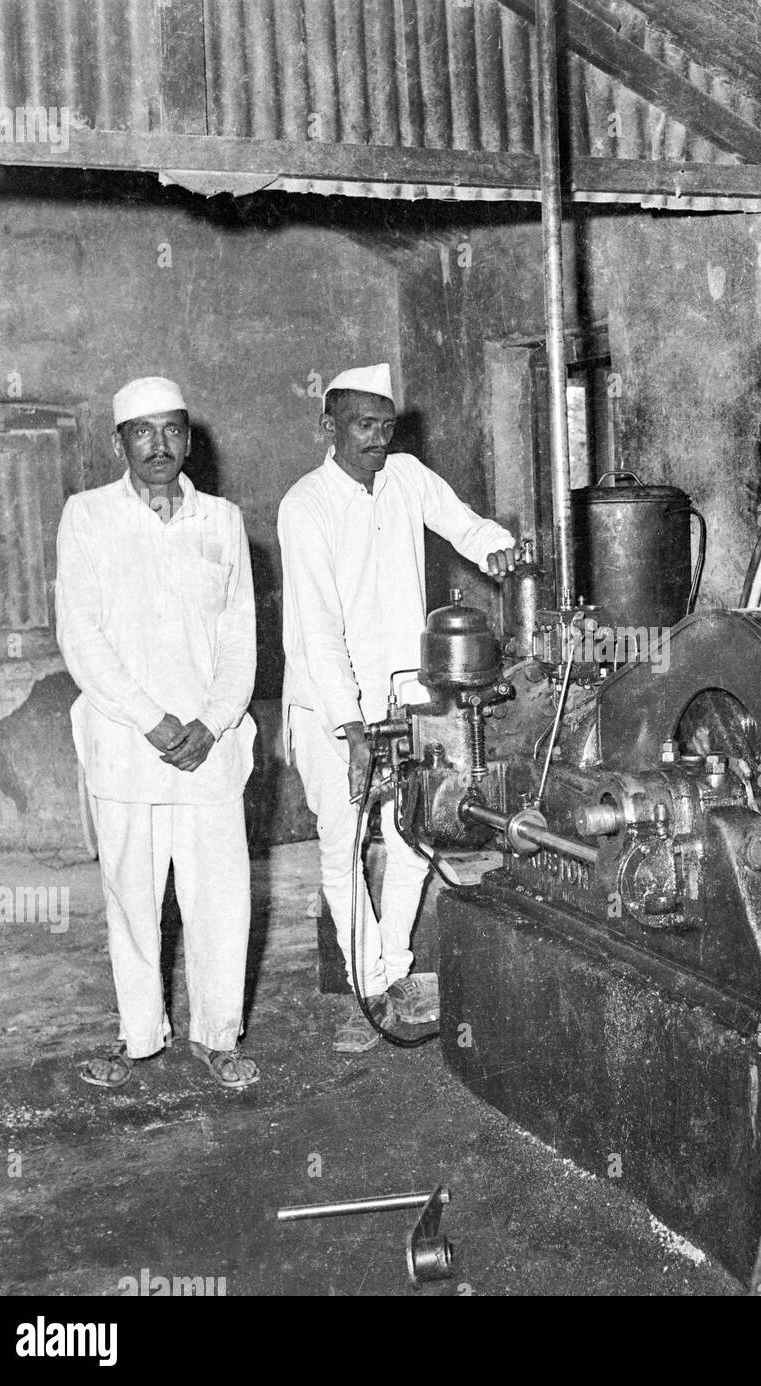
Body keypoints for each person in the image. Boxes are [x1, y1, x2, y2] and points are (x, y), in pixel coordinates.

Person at [278, 363, 516, 1053]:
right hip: (329, 707)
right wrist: (350, 726)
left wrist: (503, 551)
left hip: (409, 697)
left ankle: (393, 971)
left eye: (385, 426)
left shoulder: (408, 477)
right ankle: (364, 989)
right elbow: (316, 628)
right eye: (362, 426)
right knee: (342, 846)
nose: (377, 440)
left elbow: (466, 527)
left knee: (417, 831)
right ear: (329, 427)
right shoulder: (307, 505)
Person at [56, 376, 259, 1089]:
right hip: (126, 746)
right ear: (119, 443)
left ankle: (219, 1035)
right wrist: (152, 720)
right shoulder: (87, 517)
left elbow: (241, 639)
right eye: (142, 432)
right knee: (133, 901)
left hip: (210, 748)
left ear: (189, 439)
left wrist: (211, 722)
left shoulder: (222, 520)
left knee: (220, 896)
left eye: (173, 430)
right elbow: (81, 637)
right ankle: (138, 1036)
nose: (160, 445)